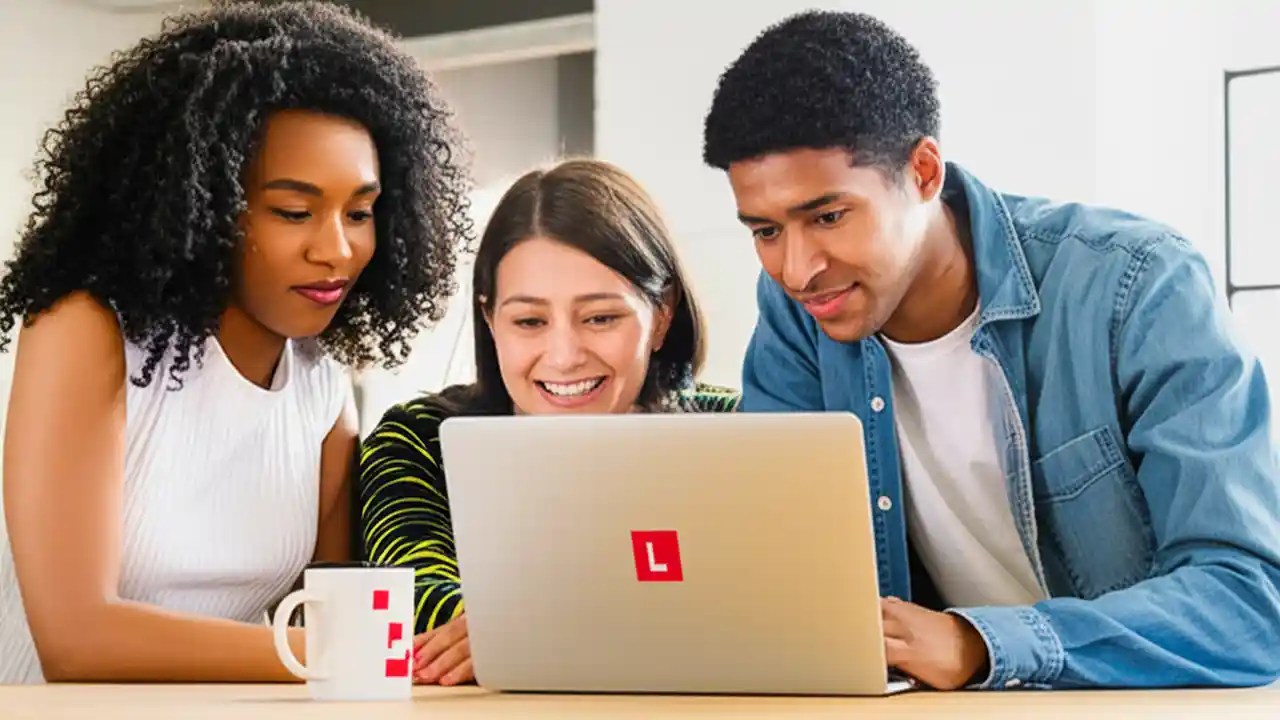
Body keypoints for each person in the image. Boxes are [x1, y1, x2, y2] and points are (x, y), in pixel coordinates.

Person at [701, 10, 1280, 691]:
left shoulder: (1136, 285)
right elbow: (782, 577)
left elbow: (1249, 602)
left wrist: (982, 643)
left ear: (922, 172)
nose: (797, 269)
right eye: (765, 231)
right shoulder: (798, 318)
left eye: (828, 216)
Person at [0, 2, 472, 684]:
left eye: (361, 212)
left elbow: (326, 613)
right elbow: (76, 640)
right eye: (293, 211)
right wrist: (352, 653)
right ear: (203, 207)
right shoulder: (86, 329)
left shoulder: (322, 386)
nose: (337, 249)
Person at [359, 159, 740, 686]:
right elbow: (414, 608)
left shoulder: (739, 431)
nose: (563, 357)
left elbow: (768, 611)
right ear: (490, 320)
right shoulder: (419, 440)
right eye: (529, 321)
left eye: (601, 318)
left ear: (663, 314)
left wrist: (532, 626)